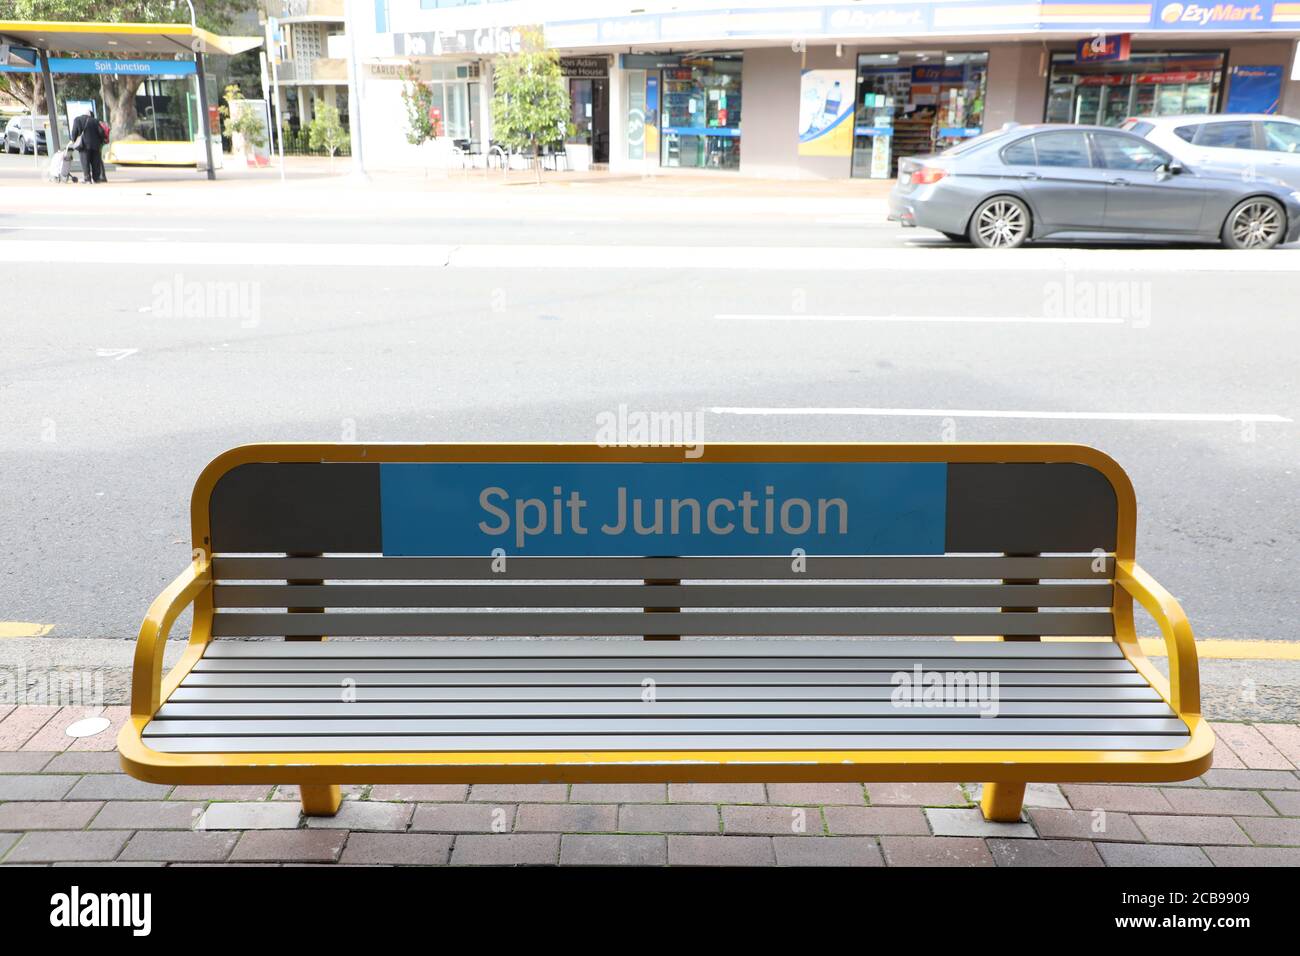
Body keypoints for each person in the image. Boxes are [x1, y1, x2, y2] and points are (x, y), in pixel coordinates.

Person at [70, 111, 107, 184]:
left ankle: (87, 179)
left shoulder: (77, 120)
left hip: (84, 145)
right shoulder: (95, 121)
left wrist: (74, 140)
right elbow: (101, 132)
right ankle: (96, 179)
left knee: (85, 162)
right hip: (95, 145)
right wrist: (101, 140)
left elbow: (74, 132)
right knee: (95, 163)